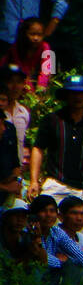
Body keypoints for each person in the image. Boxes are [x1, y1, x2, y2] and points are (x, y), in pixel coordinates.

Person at [28, 72, 83, 216]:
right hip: (56, 185)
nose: (77, 97)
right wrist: (34, 181)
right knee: (49, 232)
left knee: (80, 237)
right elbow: (38, 149)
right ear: (66, 95)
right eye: (73, 93)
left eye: (81, 93)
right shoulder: (52, 120)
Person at [0, 63, 30, 192]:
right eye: (10, 82)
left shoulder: (24, 112)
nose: (15, 87)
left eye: (19, 82)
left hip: (15, 176)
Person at [4, 17, 54, 91]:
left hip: (36, 77)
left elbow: (46, 70)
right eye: (32, 34)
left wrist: (41, 88)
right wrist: (31, 93)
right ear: (24, 34)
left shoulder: (45, 47)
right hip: (19, 78)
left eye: (39, 35)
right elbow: (22, 72)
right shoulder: (16, 48)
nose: (36, 38)